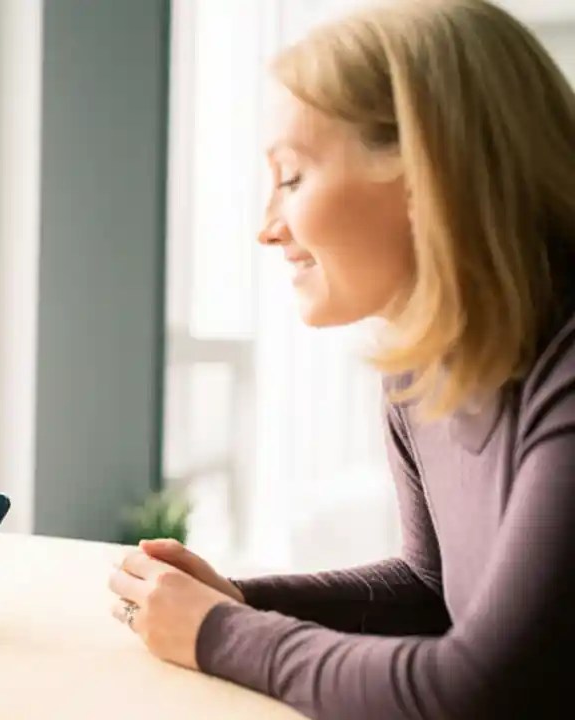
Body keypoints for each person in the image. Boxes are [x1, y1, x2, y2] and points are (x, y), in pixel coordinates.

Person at [108, 0, 575, 717]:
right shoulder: (422, 367)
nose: (268, 228)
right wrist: (237, 601)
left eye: (291, 177)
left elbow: (484, 688)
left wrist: (217, 632)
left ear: (427, 173)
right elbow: (431, 589)